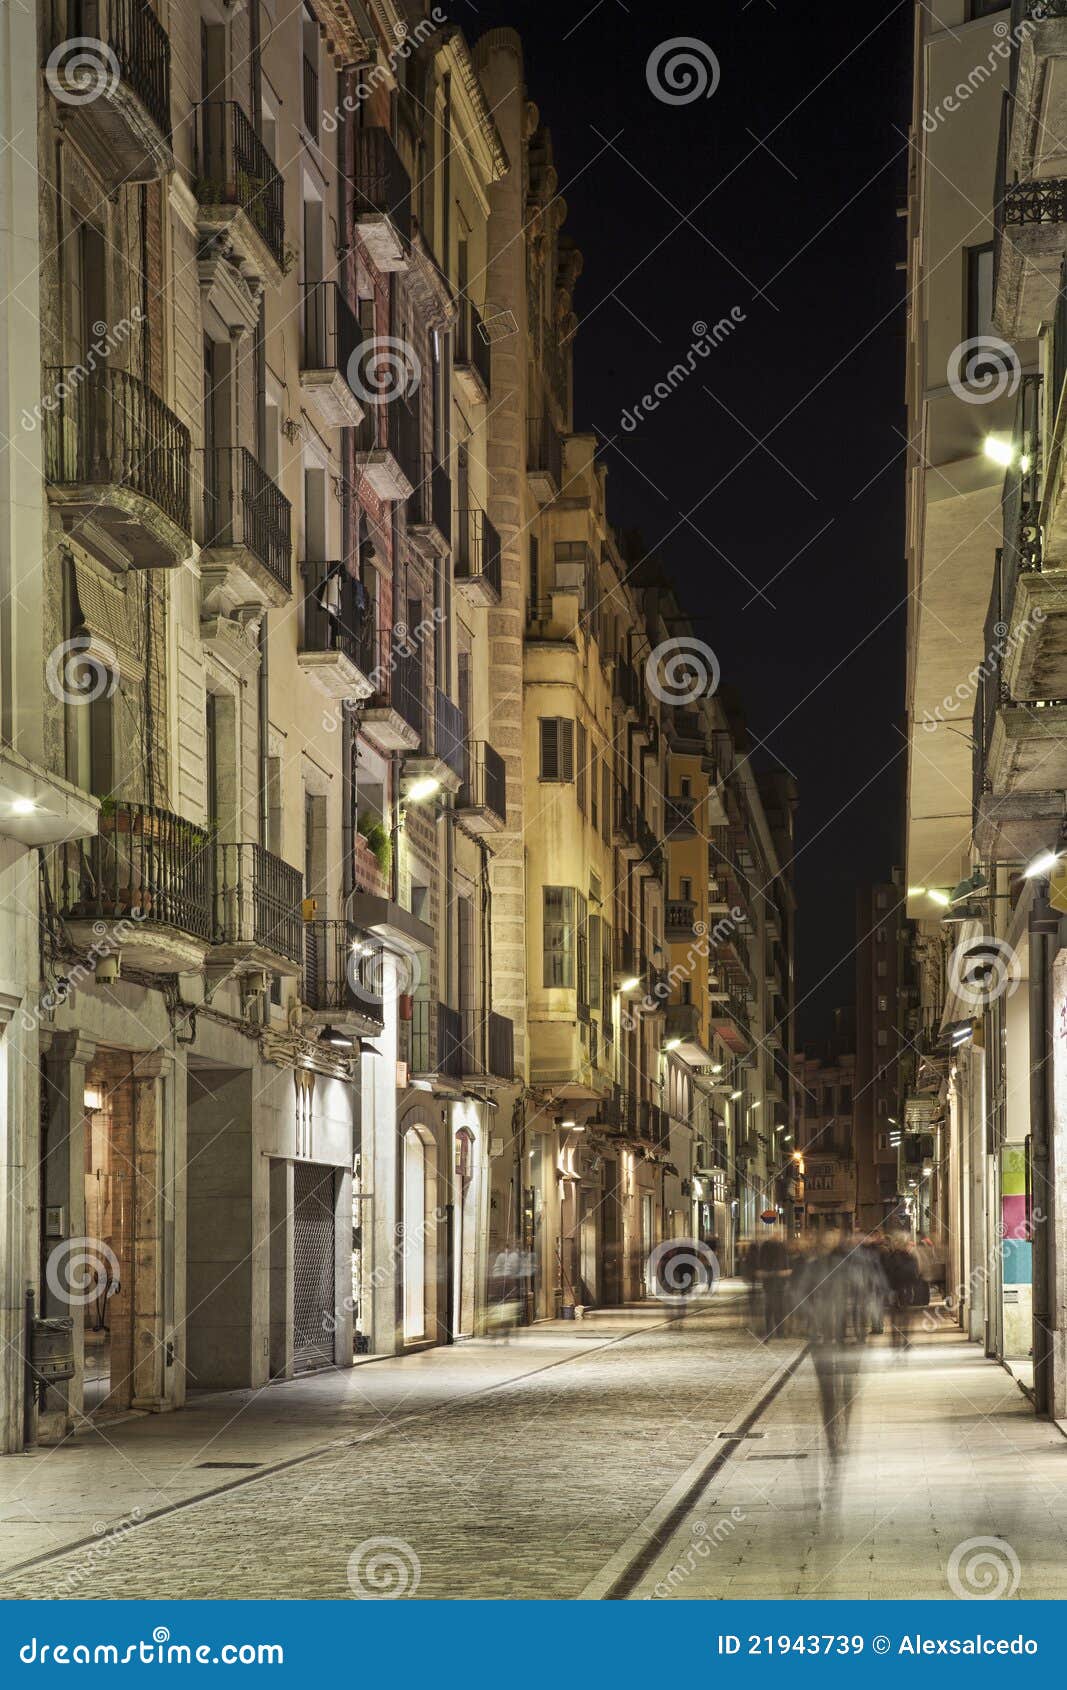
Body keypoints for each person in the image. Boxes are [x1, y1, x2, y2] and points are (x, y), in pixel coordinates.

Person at [757, 1231, 790, 1338]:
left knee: (778, 1308)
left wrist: (785, 1274)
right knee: (770, 1307)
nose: (778, 1235)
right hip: (770, 1282)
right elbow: (762, 1263)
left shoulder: (780, 1246)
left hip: (778, 1282)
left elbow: (785, 1263)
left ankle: (778, 1331)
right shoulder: (767, 1246)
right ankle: (771, 1331)